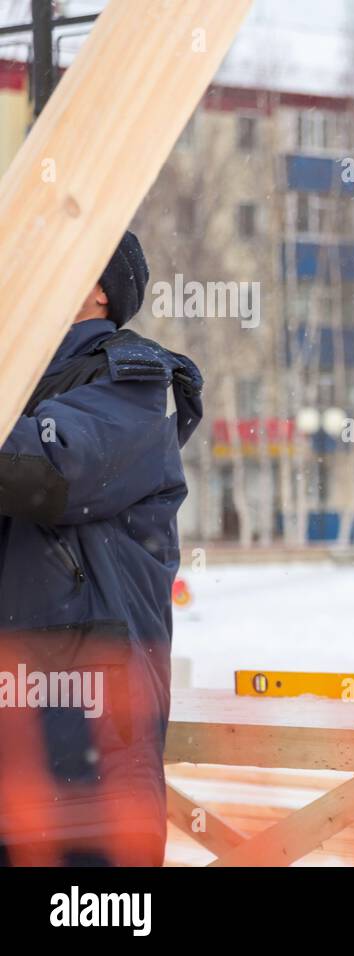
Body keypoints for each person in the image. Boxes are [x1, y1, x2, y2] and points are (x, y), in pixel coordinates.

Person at [0, 231, 203, 866]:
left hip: (85, 725)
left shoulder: (131, 387)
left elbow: (48, 471)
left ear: (97, 290)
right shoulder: (16, 385)